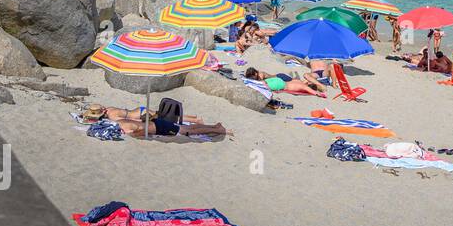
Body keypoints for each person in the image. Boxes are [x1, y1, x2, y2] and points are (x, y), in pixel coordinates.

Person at [86, 103, 229, 139]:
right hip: (147, 117)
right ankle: (211, 126)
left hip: (159, 127)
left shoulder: (117, 120)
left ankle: (217, 129)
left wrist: (135, 135)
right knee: (180, 124)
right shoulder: (110, 110)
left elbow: (138, 130)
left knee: (187, 131)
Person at [244, 67, 326, 97]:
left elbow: (308, 88)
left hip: (280, 79)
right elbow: (308, 89)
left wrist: (316, 93)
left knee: (296, 80)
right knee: (295, 79)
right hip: (280, 80)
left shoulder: (301, 84)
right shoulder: (301, 84)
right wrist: (317, 93)